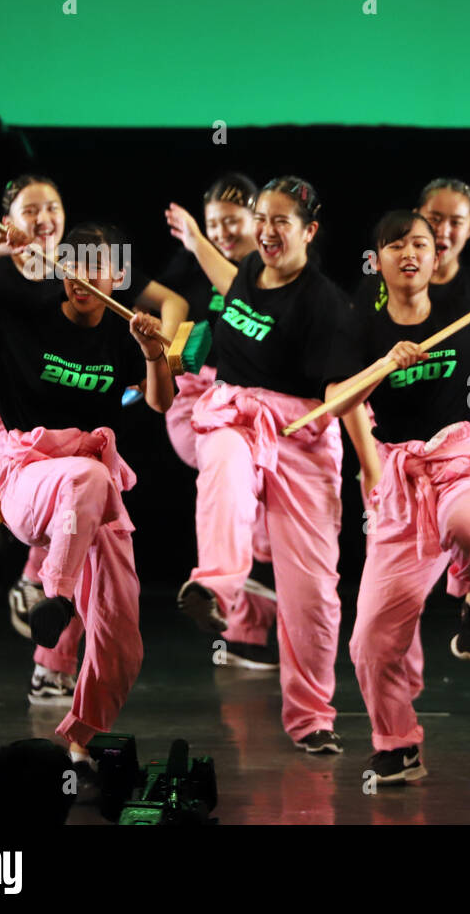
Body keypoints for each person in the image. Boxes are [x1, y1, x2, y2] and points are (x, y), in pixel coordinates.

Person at [326, 210, 470, 784]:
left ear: (435, 259)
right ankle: (398, 745)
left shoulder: (467, 316)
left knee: (469, 528)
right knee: (369, 640)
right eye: (396, 244)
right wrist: (384, 363)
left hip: (463, 459)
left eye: (421, 244)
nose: (410, 252)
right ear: (377, 260)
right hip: (400, 486)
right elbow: (334, 402)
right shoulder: (357, 324)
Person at [0, 221, 172, 781]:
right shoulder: (23, 311)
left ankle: (80, 741)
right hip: (30, 481)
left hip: (95, 500)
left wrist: (153, 354)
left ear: (117, 276)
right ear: (60, 271)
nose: (84, 278)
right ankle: (56, 596)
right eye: (74, 266)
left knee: (122, 637)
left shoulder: (121, 334)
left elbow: (160, 403)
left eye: (99, 267)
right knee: (86, 478)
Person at [166, 175, 363, 752]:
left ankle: (311, 717)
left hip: (303, 436)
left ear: (310, 230)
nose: (268, 231)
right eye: (262, 219)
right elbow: (228, 279)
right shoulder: (251, 269)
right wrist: (195, 238)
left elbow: (339, 395)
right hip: (236, 412)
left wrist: (371, 469)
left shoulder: (326, 303)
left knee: (312, 594)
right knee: (221, 466)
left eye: (283, 221)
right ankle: (216, 589)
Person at [162, 174, 279, 668]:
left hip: (262, 403)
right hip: (199, 405)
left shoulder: (276, 270)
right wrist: (165, 350)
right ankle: (227, 577)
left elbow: (248, 296)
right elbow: (168, 315)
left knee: (274, 494)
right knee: (232, 464)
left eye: (233, 222)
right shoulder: (187, 265)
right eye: (212, 226)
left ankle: (247, 636)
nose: (222, 233)